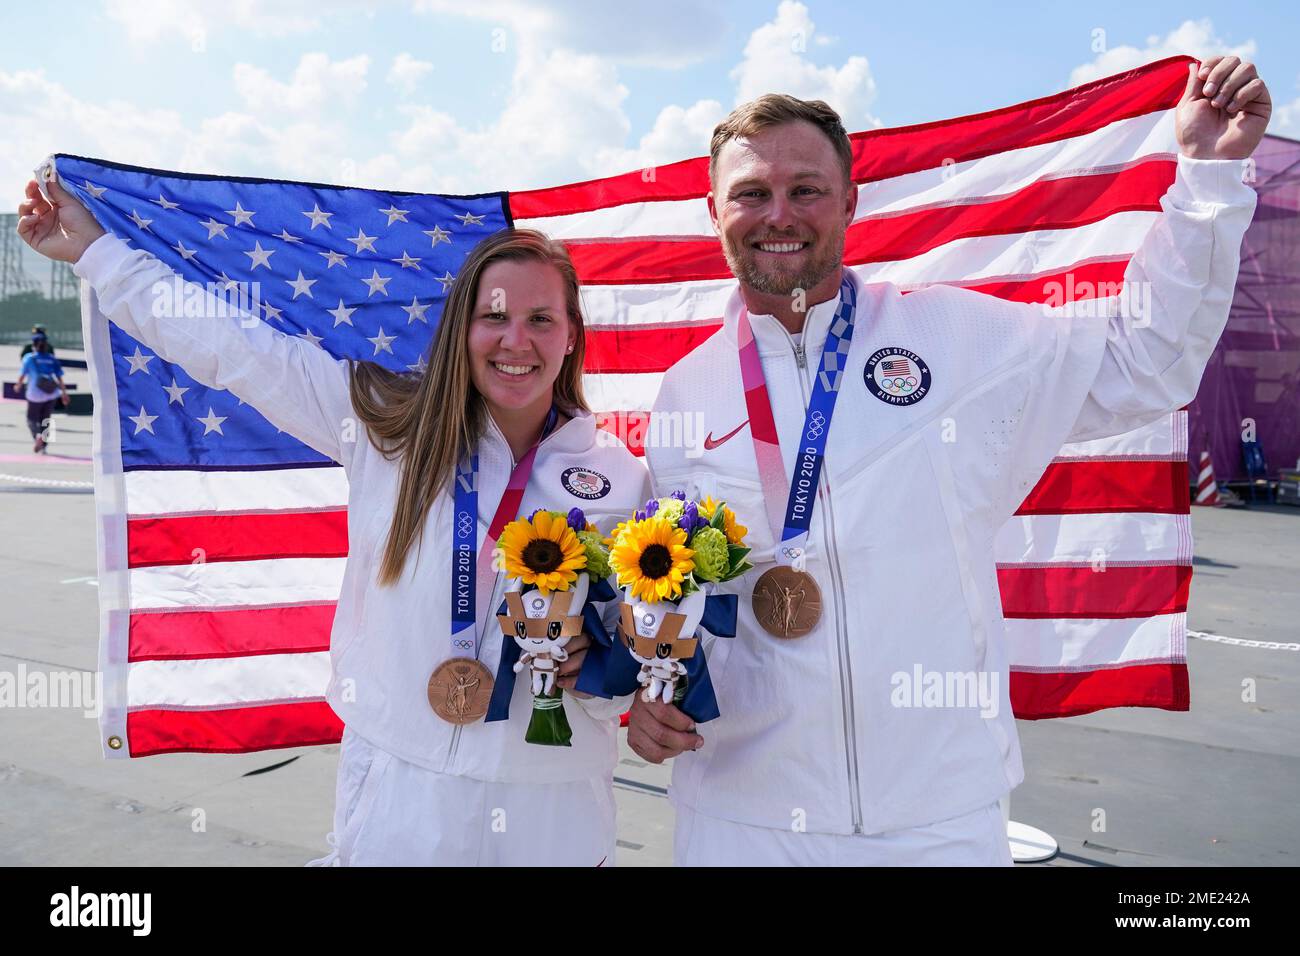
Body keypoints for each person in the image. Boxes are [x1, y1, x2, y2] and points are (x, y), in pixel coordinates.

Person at [630, 55, 1271, 865]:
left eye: (806, 189)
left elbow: (1149, 359)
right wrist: (655, 696)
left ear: (851, 201)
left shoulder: (956, 340)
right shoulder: (687, 393)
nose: (778, 213)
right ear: (713, 210)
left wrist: (1209, 179)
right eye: (751, 193)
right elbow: (673, 592)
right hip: (739, 815)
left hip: (936, 820)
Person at [17, 179, 650, 866]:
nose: (515, 341)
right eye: (493, 316)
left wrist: (607, 660)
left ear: (571, 336)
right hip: (401, 793)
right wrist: (97, 254)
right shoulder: (386, 429)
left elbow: (647, 642)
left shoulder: (622, 478)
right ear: (461, 328)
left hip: (552, 805)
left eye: (541, 319)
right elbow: (235, 348)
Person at [15, 331, 68, 452]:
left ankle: (37, 436)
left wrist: (18, 386)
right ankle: (44, 446)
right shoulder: (52, 359)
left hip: (35, 394)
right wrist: (64, 393)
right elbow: (59, 377)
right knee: (46, 420)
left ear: (33, 344)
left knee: (31, 419)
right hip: (51, 394)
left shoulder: (29, 358)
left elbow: (22, 375)